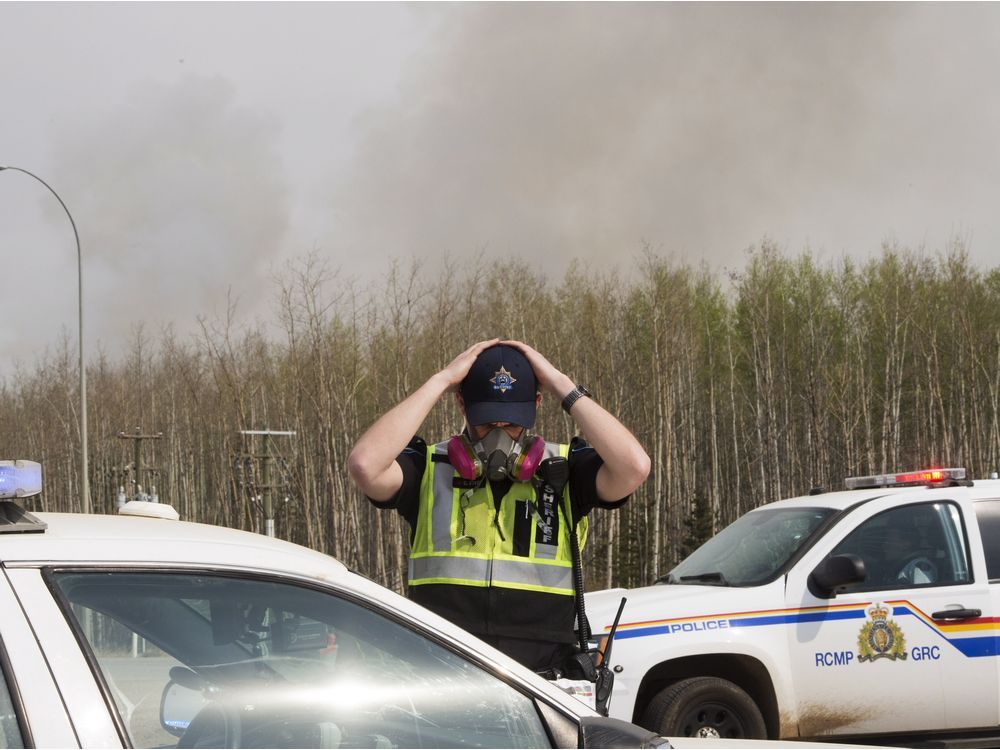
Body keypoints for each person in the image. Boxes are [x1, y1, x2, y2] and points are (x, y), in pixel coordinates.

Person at [348, 338, 650, 673]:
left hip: (540, 686)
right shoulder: (429, 468)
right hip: (441, 677)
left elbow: (634, 467)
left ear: (536, 405)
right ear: (462, 405)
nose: (499, 435)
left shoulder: (565, 470)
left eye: (511, 423)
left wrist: (560, 384)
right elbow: (365, 465)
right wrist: (441, 381)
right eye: (487, 423)